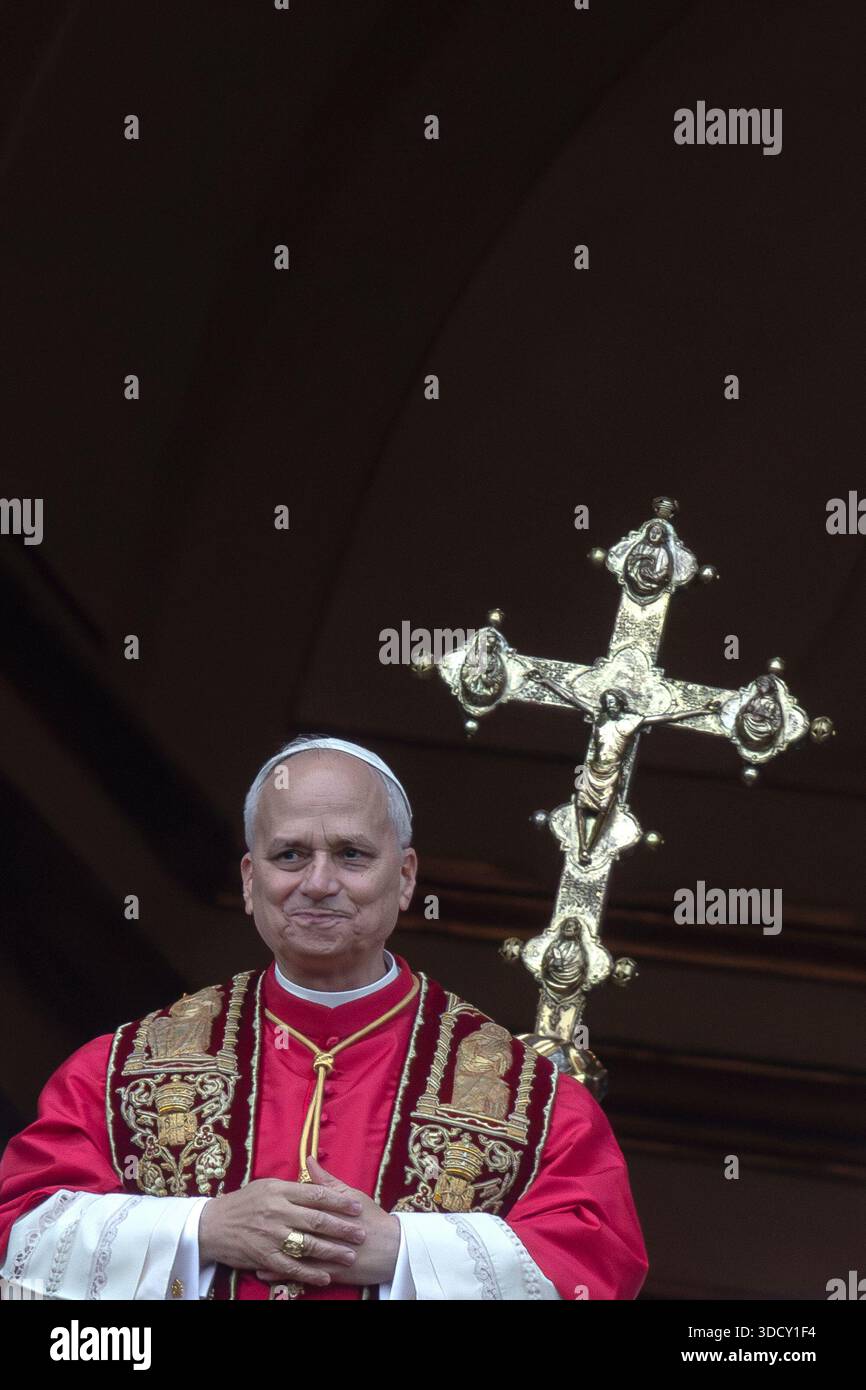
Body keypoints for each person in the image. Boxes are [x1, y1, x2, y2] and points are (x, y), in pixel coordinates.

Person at [0, 735, 649, 1301]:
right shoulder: (119, 1071)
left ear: (404, 876)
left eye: (351, 855)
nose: (317, 882)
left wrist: (403, 1251)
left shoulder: (532, 1100)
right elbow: (18, 1235)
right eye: (290, 856)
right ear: (251, 881)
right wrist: (201, 1229)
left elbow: (596, 1267)